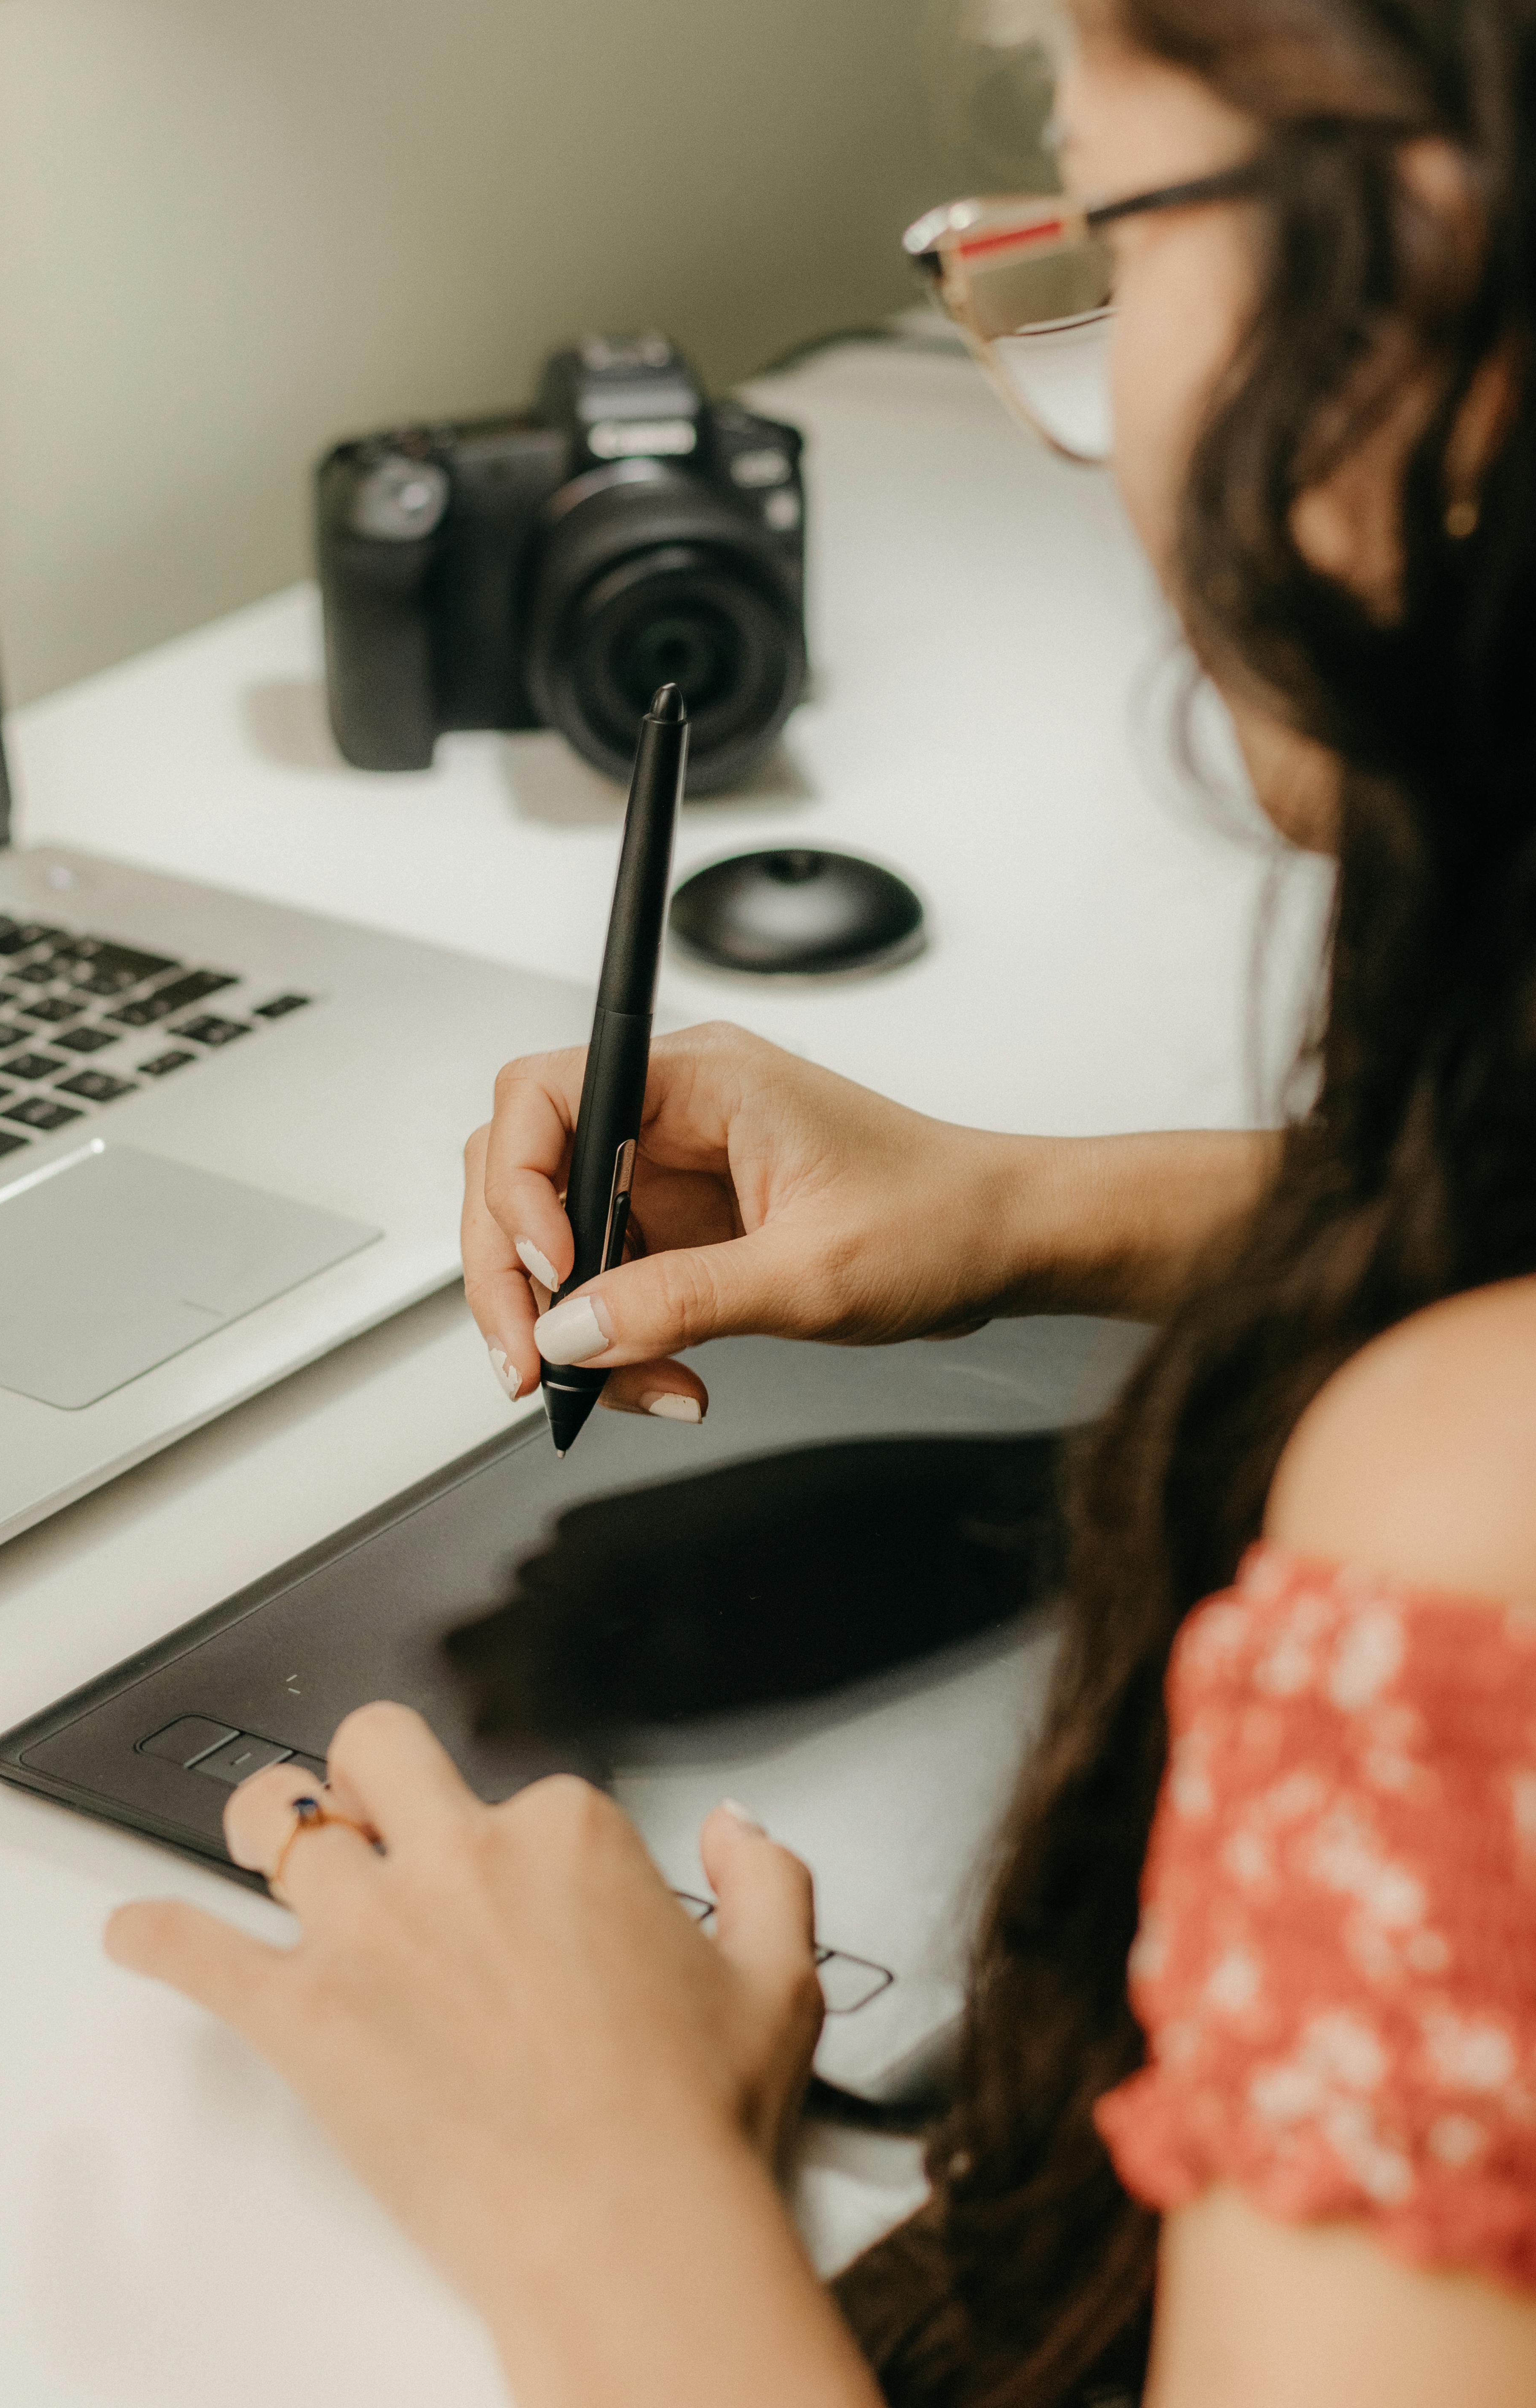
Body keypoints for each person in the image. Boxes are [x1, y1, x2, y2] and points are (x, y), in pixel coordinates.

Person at [106, 2, 1536, 2402]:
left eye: (1103, 242)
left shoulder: (1466, 1528)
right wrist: (1033, 1208)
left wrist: (607, 2190)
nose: (1100, 439)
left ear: (1423, 268)